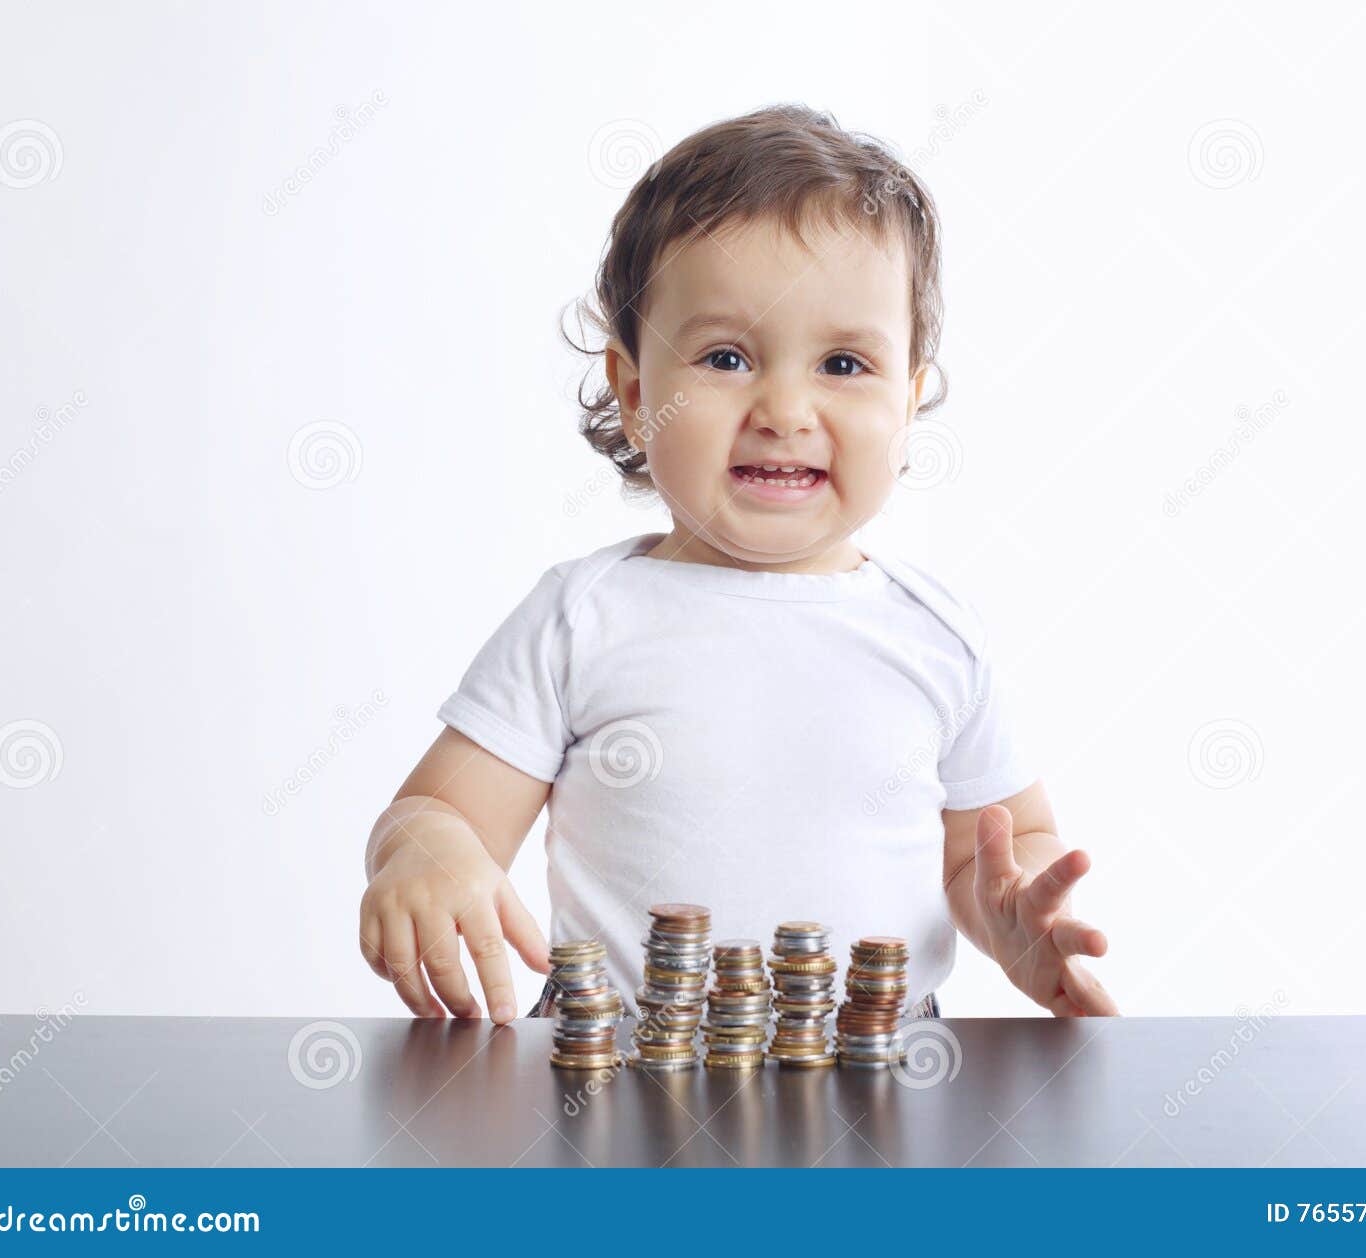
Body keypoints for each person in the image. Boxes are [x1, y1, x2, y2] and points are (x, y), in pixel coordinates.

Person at [358, 103, 1119, 1025]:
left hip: (880, 1106)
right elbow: (441, 811)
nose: (786, 409)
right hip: (628, 1107)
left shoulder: (936, 634)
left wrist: (1014, 915)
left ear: (909, 401)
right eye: (726, 357)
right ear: (637, 396)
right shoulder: (582, 618)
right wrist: (427, 856)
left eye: (844, 364)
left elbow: (993, 844)